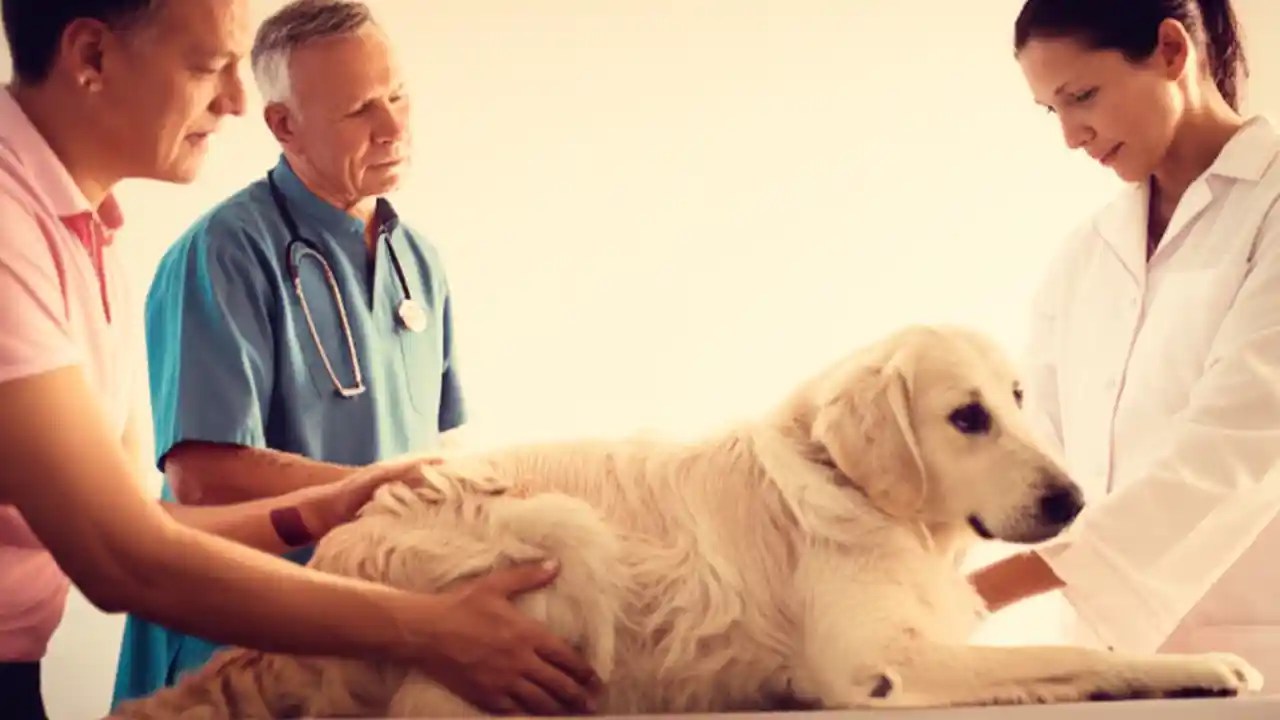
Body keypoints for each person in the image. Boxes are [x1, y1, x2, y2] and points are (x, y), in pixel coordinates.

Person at [0, 1, 599, 718]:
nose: (235, 101)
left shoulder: (82, 233)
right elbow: (127, 548)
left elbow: (131, 518)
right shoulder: (60, 237)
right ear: (91, 57)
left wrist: (341, 502)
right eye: (207, 67)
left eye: (398, 97)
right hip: (236, 644)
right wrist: (431, 631)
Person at [110, 0, 477, 703]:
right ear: (284, 124)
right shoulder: (223, 253)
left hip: (366, 633)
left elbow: (432, 448)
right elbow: (202, 478)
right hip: (237, 639)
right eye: (359, 109)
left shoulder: (419, 261)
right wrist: (371, 492)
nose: (393, 126)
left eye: (397, 94)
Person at [969, 0, 1280, 691]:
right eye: (1054, 111)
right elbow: (1037, 452)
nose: (1073, 137)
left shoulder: (1271, 211)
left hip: (1257, 646)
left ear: (1172, 51)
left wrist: (982, 594)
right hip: (1105, 658)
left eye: (1083, 97)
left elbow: (1236, 447)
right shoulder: (1086, 255)